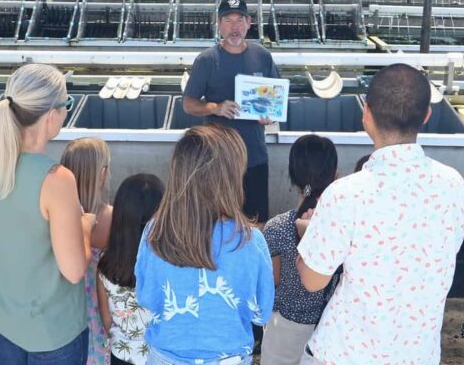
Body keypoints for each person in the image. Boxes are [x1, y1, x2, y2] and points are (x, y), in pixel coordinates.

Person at [296, 64, 464, 364]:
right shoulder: (454, 185)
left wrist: (307, 238)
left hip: (345, 353)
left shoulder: (345, 194)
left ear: (367, 113)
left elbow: (313, 280)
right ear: (426, 116)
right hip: (417, 354)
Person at [0, 64, 95, 364]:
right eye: (67, 104)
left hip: (1, 316)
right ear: (51, 114)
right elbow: (74, 270)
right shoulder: (57, 178)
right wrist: (85, 225)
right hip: (50, 329)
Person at [135, 124, 275, 364]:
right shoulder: (250, 241)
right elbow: (261, 312)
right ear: (231, 178)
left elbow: (146, 297)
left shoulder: (155, 231)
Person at [183, 0, 280, 223]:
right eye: (228, 21)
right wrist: (216, 108)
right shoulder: (207, 60)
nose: (234, 27)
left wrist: (270, 116)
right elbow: (188, 103)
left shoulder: (262, 56)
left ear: (248, 23)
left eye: (239, 20)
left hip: (254, 155)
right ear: (219, 24)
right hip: (218, 158)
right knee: (218, 222)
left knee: (257, 222)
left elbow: (277, 99)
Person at [260, 134, 338, 365]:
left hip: (283, 331)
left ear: (292, 175)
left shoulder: (277, 227)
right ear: (334, 175)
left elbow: (272, 280)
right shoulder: (340, 227)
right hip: (329, 327)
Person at [96, 173, 164, 365]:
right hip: (161, 355)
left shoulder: (105, 263)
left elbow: (107, 319)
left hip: (122, 355)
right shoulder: (171, 263)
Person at [60, 138, 114, 365]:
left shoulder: (57, 217)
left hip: (65, 314)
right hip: (101, 317)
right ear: (101, 174)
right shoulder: (113, 218)